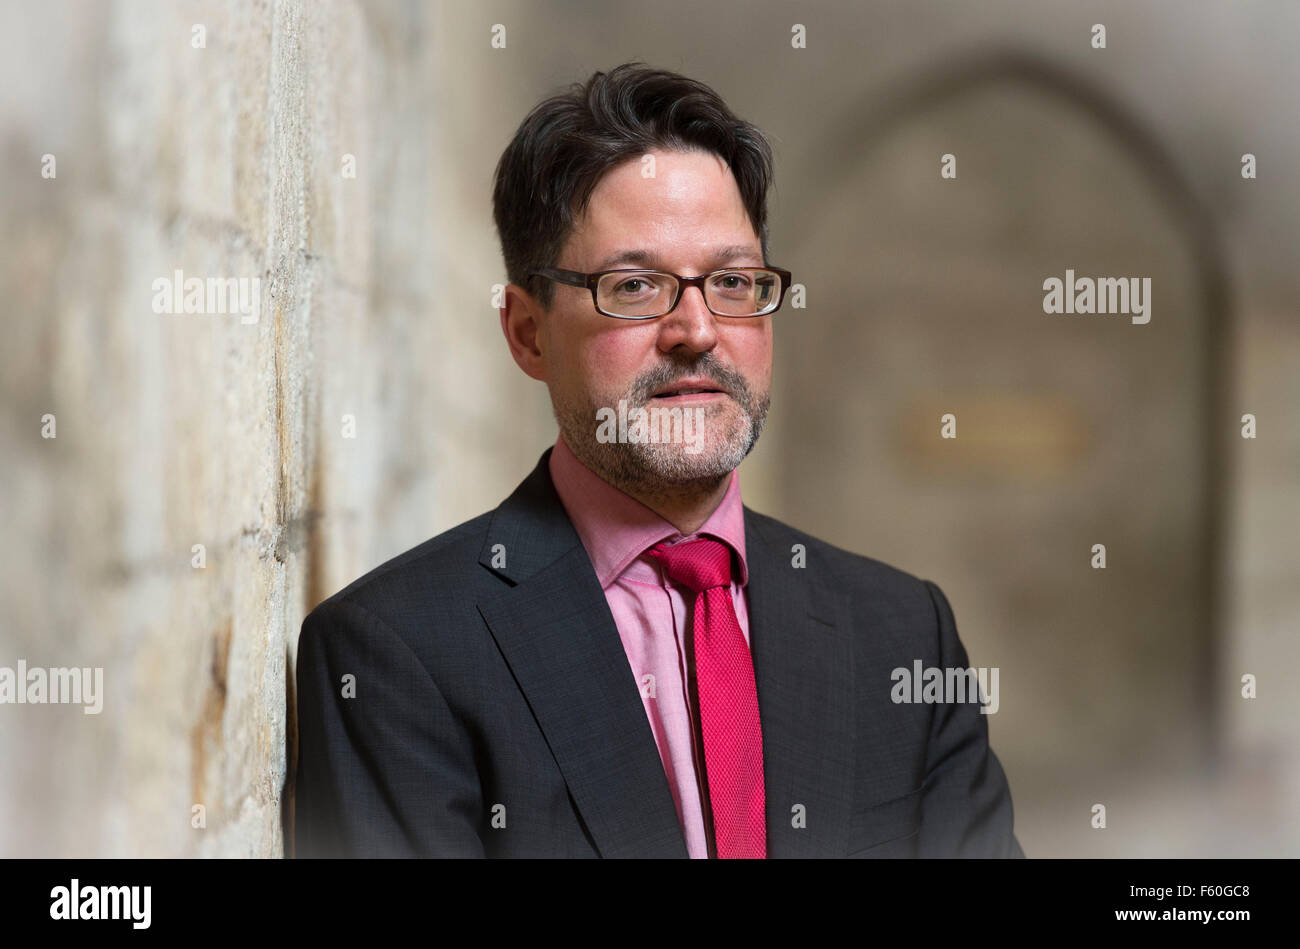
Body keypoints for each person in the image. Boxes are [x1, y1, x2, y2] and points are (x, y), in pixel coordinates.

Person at [293, 62, 1024, 859]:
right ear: (527, 333)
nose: (698, 330)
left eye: (734, 281)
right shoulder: (395, 655)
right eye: (636, 285)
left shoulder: (905, 634)